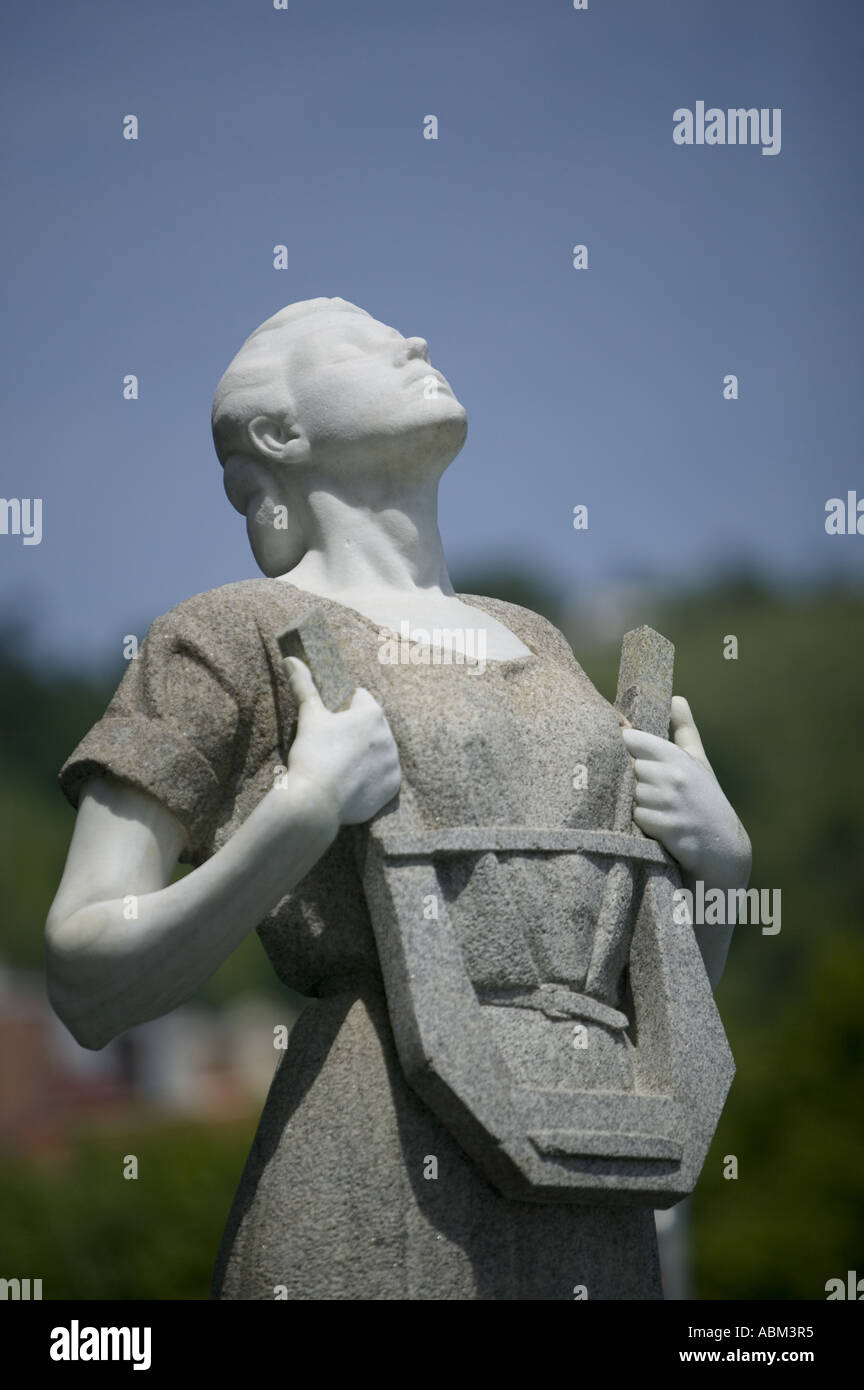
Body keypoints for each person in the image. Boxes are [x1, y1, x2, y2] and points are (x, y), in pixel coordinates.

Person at [46, 297, 751, 1299]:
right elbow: (84, 977)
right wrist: (298, 816)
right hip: (375, 1185)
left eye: (408, 334)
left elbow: (644, 999)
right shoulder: (230, 634)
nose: (416, 342)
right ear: (279, 434)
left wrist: (720, 874)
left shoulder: (542, 642)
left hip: (596, 1189)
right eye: (365, 344)